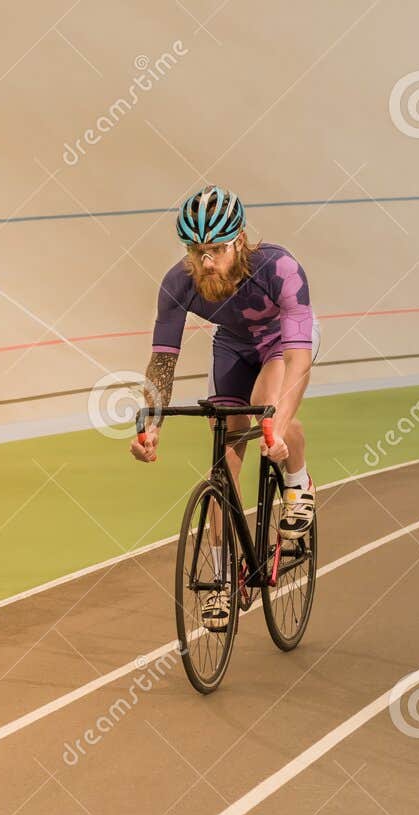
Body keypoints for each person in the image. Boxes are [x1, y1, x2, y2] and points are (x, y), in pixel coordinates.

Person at [130, 184, 318, 629]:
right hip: (233, 347)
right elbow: (162, 362)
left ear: (239, 241)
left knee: (265, 407)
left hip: (282, 344)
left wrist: (277, 426)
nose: (206, 262)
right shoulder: (179, 282)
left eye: (215, 250)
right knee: (225, 456)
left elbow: (299, 361)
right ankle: (222, 577)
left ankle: (298, 482)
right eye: (196, 252)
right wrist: (152, 425)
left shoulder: (279, 268)